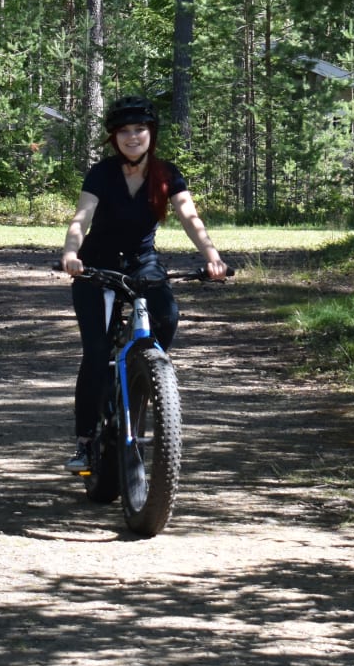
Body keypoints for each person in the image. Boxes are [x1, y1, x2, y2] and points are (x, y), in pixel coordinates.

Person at [58, 95, 228, 472]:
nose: (132, 137)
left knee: (167, 316)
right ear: (113, 137)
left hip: (142, 262)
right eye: (124, 131)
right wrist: (71, 254)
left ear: (151, 133)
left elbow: (190, 218)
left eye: (140, 129)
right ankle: (85, 441)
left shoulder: (166, 174)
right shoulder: (102, 173)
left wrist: (212, 257)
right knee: (96, 352)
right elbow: (81, 218)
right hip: (96, 265)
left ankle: (144, 377)